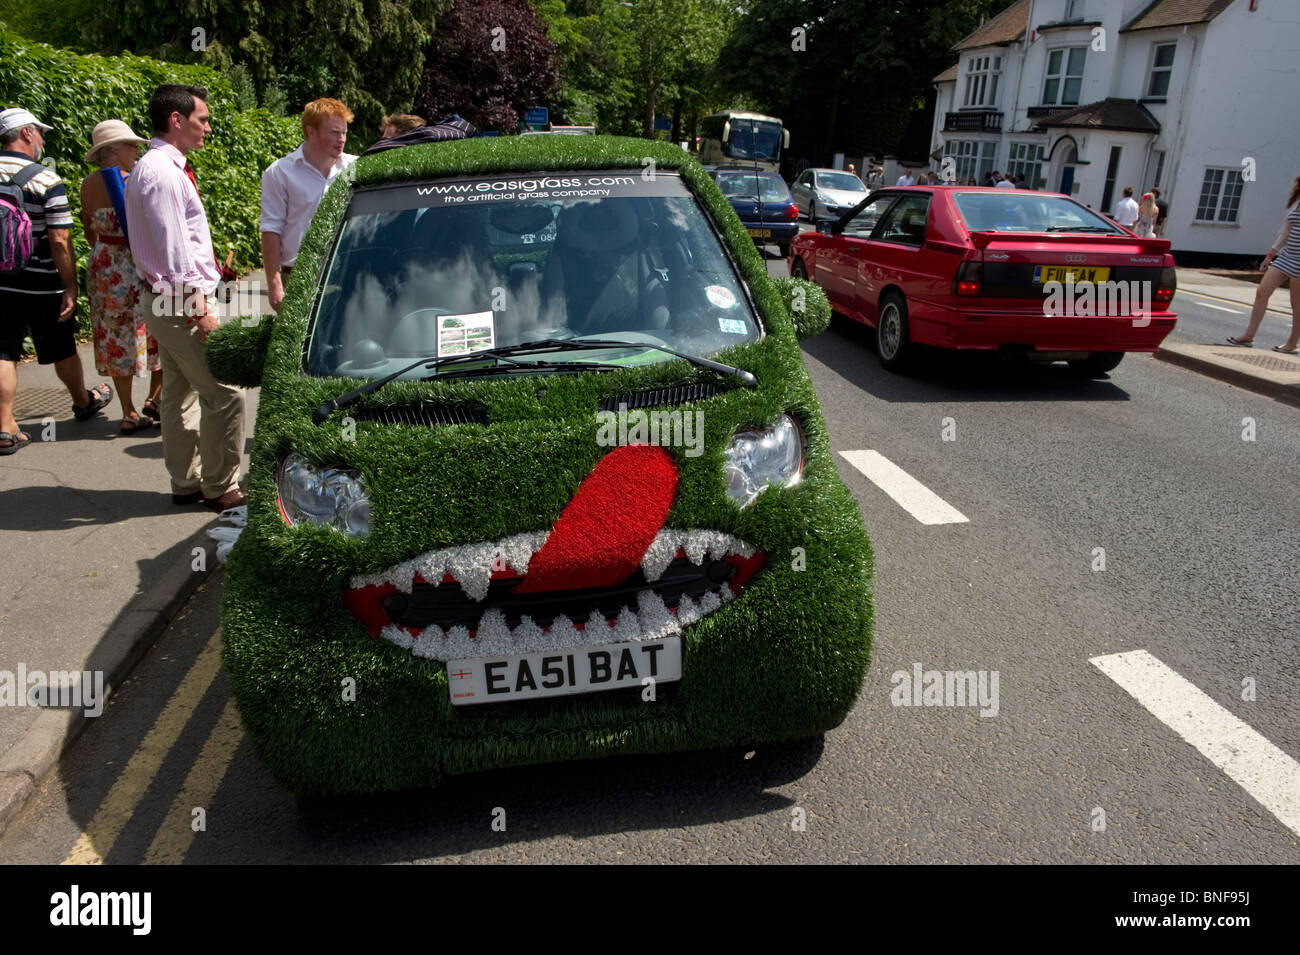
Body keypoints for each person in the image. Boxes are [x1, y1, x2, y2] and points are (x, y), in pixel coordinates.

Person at [124, 84, 246, 509]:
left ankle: (187, 481)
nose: (208, 128)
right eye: (203, 119)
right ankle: (221, 486)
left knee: (181, 393)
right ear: (176, 120)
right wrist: (200, 312)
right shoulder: (162, 172)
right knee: (227, 392)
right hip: (179, 301)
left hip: (165, 300)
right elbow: (175, 253)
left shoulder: (154, 168)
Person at [0, 107, 112, 454]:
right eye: (40, 132)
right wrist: (70, 285)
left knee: (3, 350)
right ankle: (82, 401)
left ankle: (5, 428)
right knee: (61, 346)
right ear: (26, 134)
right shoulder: (46, 180)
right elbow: (60, 240)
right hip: (41, 282)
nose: (43, 140)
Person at [80, 119, 161, 434]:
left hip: (104, 263)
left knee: (114, 336)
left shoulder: (88, 184)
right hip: (136, 263)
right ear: (111, 151)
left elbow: (90, 231)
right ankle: (154, 399)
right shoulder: (135, 181)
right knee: (156, 328)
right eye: (130, 145)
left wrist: (105, 250)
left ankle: (128, 409)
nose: (136, 149)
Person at [260, 98, 357, 313]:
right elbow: (270, 230)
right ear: (311, 132)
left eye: (344, 132)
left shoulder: (355, 168)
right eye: (334, 132)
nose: (341, 139)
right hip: (298, 275)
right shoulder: (280, 173)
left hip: (346, 271)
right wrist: (274, 283)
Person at [1228, 172, 1300, 354]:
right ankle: (1248, 335)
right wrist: (1270, 255)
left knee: (1296, 303)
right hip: (1286, 257)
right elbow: (1285, 233)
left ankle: (1292, 342)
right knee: (1262, 291)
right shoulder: (1297, 203)